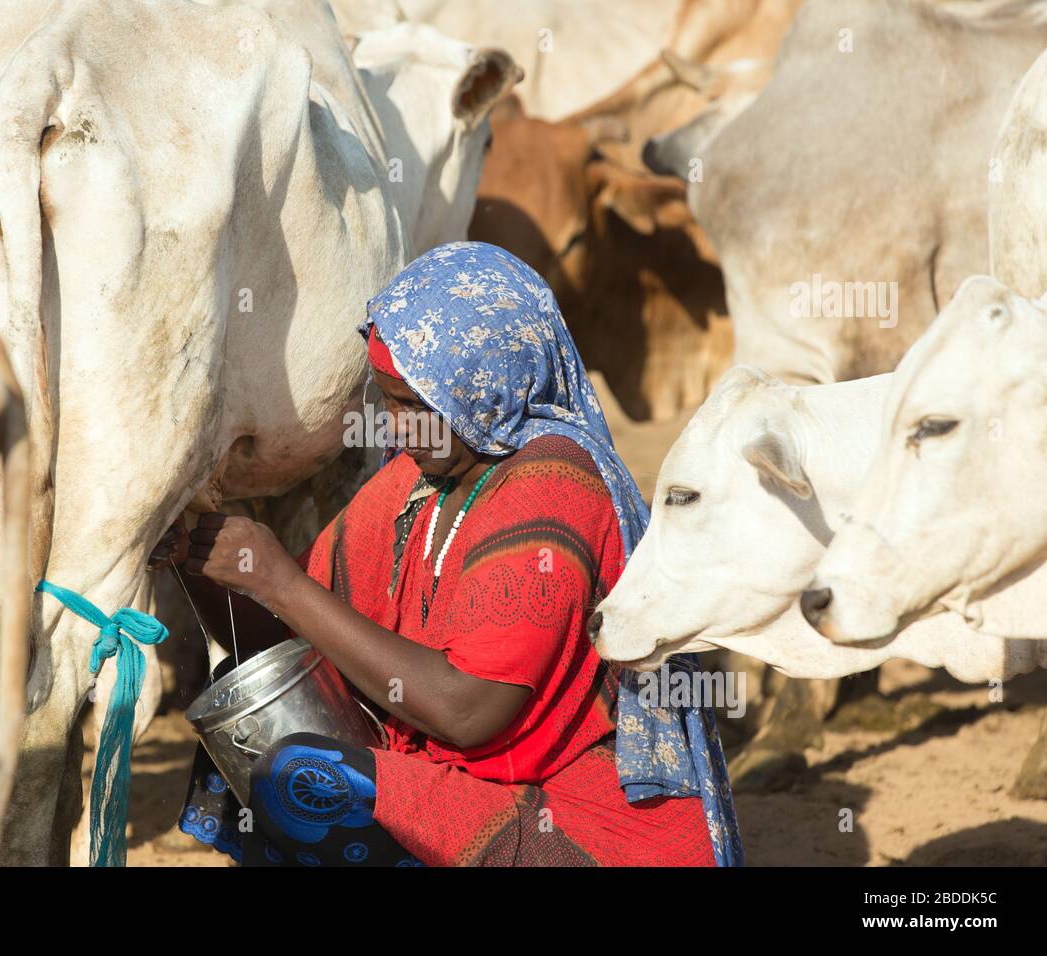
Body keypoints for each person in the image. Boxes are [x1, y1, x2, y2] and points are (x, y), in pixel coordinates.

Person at [154, 241, 742, 866]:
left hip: (564, 810)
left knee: (304, 777)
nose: (396, 425)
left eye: (414, 403)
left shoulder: (552, 490)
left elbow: (468, 713)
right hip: (461, 777)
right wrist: (203, 562)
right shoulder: (421, 480)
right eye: (389, 401)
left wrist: (279, 582)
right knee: (256, 732)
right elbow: (296, 655)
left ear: (484, 380)